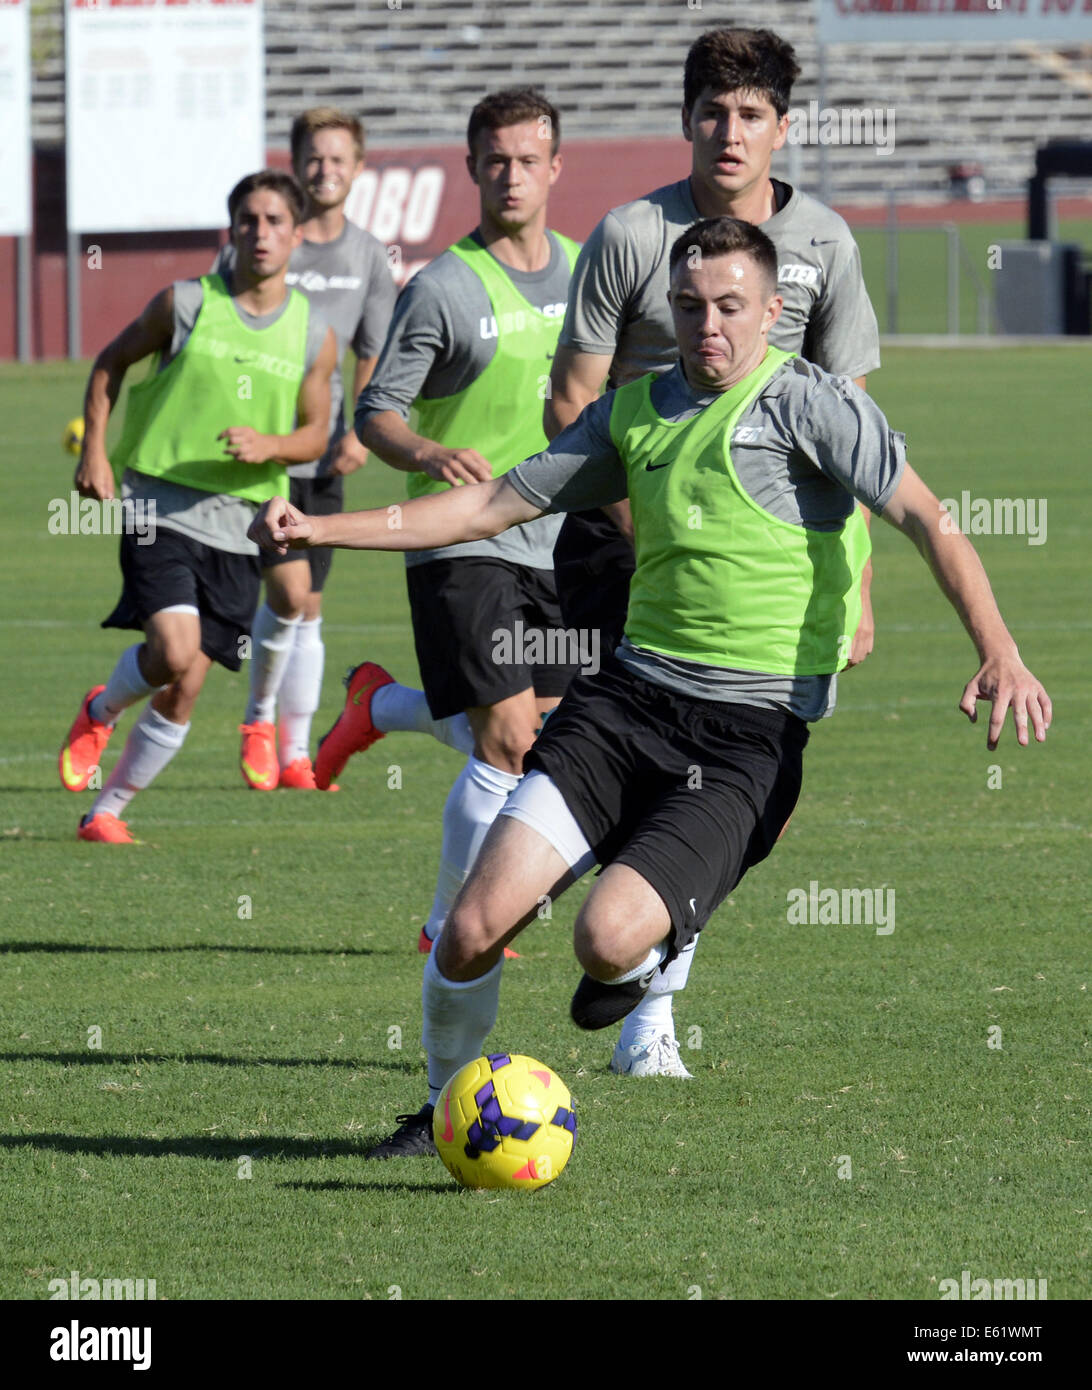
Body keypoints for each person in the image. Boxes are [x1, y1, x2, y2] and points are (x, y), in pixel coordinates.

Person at [248, 217, 1051, 1158]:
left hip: (746, 737)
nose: (707, 324)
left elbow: (926, 516)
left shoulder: (811, 405)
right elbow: (488, 503)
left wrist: (998, 648)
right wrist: (319, 529)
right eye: (688, 305)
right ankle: (437, 1116)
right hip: (623, 706)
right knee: (468, 929)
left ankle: (655, 944)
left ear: (772, 310)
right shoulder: (635, 409)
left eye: (729, 307)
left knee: (601, 940)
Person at [544, 25, 882, 1077]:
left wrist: (855, 583)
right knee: (617, 772)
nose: (728, 133)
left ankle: (645, 988)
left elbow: (854, 433)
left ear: (783, 126)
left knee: (726, 807)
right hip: (622, 540)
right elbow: (573, 396)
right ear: (684, 117)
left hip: (764, 571)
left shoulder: (826, 243)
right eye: (710, 112)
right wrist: (663, 535)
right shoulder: (630, 234)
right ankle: (605, 984)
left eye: (750, 115)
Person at [314, 89, 582, 971]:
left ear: (555, 167)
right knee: (507, 737)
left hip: (561, 540)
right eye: (494, 160)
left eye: (527, 160)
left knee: (536, 740)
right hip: (459, 539)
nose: (511, 175)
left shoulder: (589, 275)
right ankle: (448, 926)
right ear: (472, 168)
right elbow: (376, 413)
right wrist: (430, 452)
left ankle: (380, 705)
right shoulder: (441, 287)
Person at [58, 170, 336, 842]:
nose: (261, 233)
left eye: (275, 222)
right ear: (231, 230)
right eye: (249, 220)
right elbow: (109, 363)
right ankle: (102, 708)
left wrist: (270, 443)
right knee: (175, 649)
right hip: (161, 502)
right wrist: (93, 449)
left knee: (185, 686)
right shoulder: (184, 303)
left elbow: (316, 434)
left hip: (241, 525)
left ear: (298, 236)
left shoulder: (313, 334)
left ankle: (107, 812)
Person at [214, 110, 396, 791]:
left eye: (338, 159)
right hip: (249, 455)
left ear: (358, 167)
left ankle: (293, 754)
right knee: (285, 595)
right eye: (313, 158)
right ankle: (259, 720)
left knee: (309, 603)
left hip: (319, 454)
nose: (325, 170)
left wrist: (361, 430)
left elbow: (372, 351)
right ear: (295, 162)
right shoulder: (258, 242)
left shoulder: (368, 257)